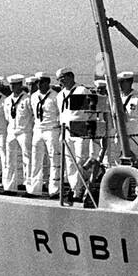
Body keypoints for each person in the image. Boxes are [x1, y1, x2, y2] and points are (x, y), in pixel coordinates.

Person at [56, 67, 90, 199]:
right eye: (59, 80)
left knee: (80, 159)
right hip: (66, 130)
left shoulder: (82, 90)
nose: (61, 82)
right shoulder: (60, 95)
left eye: (62, 79)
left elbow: (89, 111)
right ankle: (74, 188)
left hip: (80, 128)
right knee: (69, 162)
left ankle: (80, 188)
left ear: (70, 76)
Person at [27, 72, 60, 196]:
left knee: (54, 160)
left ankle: (54, 189)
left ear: (47, 82)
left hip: (51, 129)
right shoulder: (34, 96)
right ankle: (35, 189)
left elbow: (59, 114)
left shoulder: (56, 96)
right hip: (38, 129)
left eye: (41, 82)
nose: (39, 85)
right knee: (36, 160)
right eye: (37, 83)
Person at [3, 74, 34, 192]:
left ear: (20, 85)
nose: (12, 87)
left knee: (28, 159)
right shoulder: (7, 100)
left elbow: (32, 116)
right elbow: (7, 117)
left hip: (24, 131)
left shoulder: (28, 99)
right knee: (9, 160)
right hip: (11, 131)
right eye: (11, 84)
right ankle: (10, 186)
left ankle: (28, 185)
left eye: (15, 85)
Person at [116, 71, 138, 168]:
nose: (120, 85)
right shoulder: (118, 98)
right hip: (122, 133)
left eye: (123, 82)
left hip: (137, 135)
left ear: (129, 82)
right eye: (119, 82)